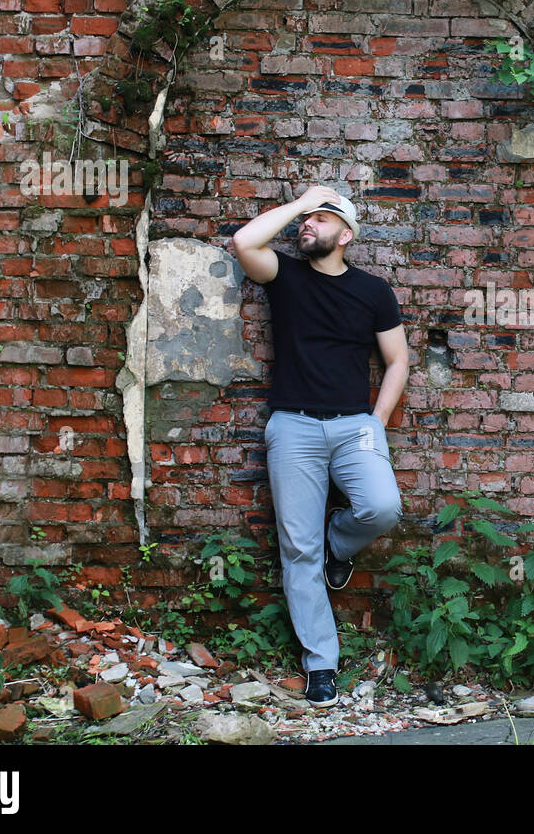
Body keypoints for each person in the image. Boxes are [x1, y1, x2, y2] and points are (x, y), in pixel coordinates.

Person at [230, 184, 409, 707]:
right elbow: (244, 241)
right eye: (305, 220)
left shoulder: (373, 291)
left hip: (356, 425)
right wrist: (304, 202)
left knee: (382, 507)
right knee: (297, 551)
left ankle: (339, 542)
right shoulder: (284, 276)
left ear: (346, 235)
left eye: (322, 219)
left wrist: (375, 422)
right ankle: (321, 665)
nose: (308, 225)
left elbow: (397, 361)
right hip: (294, 428)